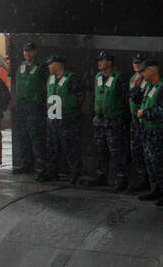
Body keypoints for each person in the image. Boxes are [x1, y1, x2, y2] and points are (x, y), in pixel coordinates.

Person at [135, 58, 163, 206]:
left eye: (144, 71)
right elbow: (136, 99)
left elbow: (162, 110)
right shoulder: (149, 86)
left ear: (152, 70)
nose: (142, 74)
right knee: (150, 161)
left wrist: (144, 113)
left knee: (160, 162)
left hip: (159, 130)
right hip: (148, 130)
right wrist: (137, 85)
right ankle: (156, 189)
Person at [39, 54, 85, 184]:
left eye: (51, 64)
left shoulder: (71, 78)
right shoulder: (50, 78)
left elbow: (80, 97)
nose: (49, 66)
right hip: (52, 117)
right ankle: (51, 172)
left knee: (70, 147)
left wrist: (71, 112)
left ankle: (75, 173)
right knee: (51, 147)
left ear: (58, 64)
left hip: (66, 118)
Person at [88, 51, 129, 190]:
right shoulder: (98, 76)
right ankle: (102, 176)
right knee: (100, 149)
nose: (99, 62)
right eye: (98, 60)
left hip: (113, 119)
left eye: (102, 60)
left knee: (116, 150)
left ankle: (122, 178)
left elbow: (125, 98)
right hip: (99, 118)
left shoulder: (119, 77)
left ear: (110, 62)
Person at [10, 41, 47, 175]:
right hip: (22, 106)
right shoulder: (21, 66)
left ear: (35, 52)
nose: (27, 53)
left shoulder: (41, 67)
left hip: (35, 106)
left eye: (30, 51)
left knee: (37, 138)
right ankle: (26, 164)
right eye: (25, 51)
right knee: (23, 136)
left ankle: (42, 167)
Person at [127, 54, 150, 194]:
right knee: (136, 151)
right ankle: (142, 179)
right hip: (134, 118)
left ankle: (150, 181)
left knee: (147, 151)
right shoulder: (132, 78)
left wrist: (137, 84)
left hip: (145, 120)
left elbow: (137, 98)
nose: (136, 65)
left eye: (139, 63)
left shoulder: (147, 80)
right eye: (134, 62)